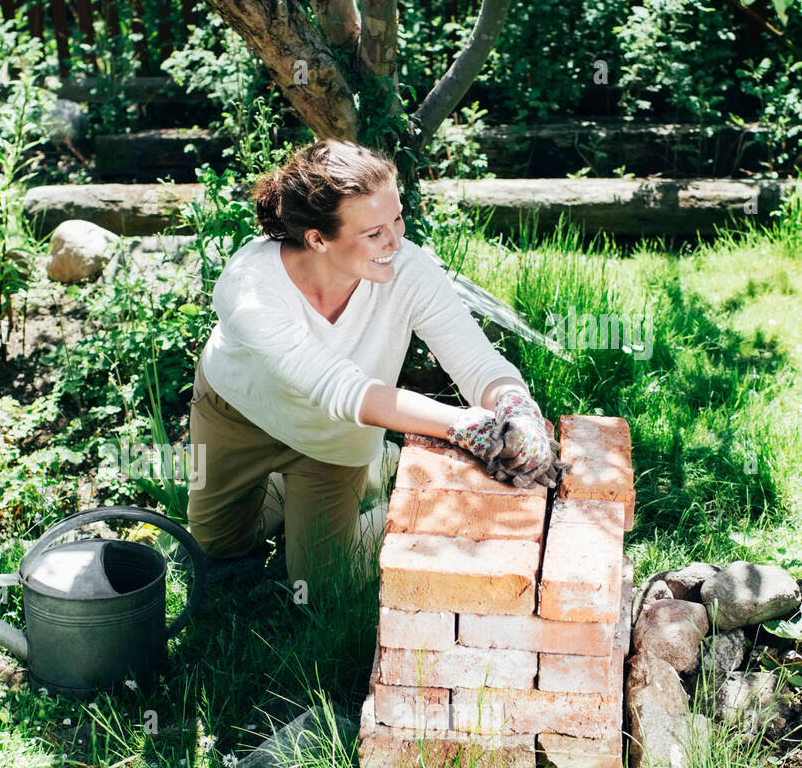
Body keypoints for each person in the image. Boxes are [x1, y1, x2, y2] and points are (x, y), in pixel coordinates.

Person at [187, 139, 558, 588]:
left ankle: (405, 497)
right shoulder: (249, 288)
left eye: (397, 218)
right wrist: (466, 427)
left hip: (332, 436)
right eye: (373, 233)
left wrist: (516, 405)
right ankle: (335, 478)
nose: (396, 241)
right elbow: (340, 386)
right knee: (217, 549)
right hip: (240, 414)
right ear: (318, 239)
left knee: (324, 586)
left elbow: (476, 361)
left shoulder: (409, 270)